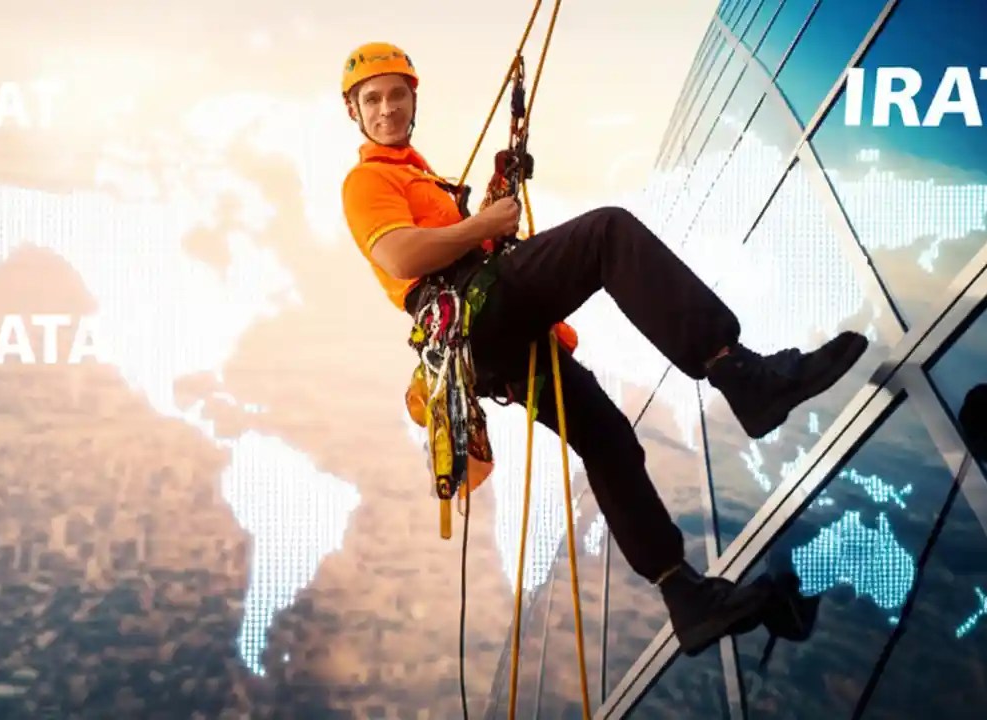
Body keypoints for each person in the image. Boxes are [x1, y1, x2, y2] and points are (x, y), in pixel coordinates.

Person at [338, 42, 861, 657]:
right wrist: (484, 225)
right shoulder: (367, 180)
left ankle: (683, 594)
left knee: (608, 438)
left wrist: (490, 199)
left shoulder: (419, 176)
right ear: (355, 113)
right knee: (606, 235)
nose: (387, 108)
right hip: (477, 321)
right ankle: (737, 372)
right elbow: (401, 256)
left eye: (397, 93)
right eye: (372, 99)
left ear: (414, 98)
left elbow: (455, 246)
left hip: (493, 337)